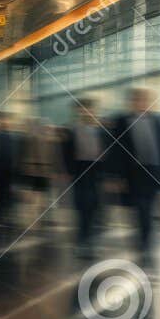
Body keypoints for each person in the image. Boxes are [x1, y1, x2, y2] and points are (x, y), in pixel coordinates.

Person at [111, 88, 160, 258]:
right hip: (134, 173)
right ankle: (145, 243)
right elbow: (116, 151)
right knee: (141, 208)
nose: (142, 103)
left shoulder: (159, 120)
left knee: (150, 208)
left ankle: (145, 240)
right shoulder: (121, 121)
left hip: (154, 172)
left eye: (146, 99)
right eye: (138, 100)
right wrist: (118, 177)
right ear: (131, 102)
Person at [61, 100, 109, 256]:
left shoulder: (102, 131)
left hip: (96, 172)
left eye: (89, 109)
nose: (86, 112)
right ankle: (83, 241)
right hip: (80, 172)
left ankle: (88, 240)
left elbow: (108, 153)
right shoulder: (72, 130)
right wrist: (68, 171)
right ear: (78, 112)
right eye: (83, 110)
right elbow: (66, 153)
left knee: (94, 207)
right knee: (82, 207)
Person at [0, 114, 21, 225]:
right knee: (2, 190)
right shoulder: (3, 136)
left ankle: (3, 211)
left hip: (6, 168)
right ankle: (2, 212)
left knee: (4, 190)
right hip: (3, 168)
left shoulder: (9, 136)